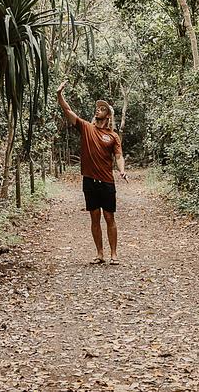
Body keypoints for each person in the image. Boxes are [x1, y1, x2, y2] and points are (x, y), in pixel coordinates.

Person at [56, 80, 126, 265]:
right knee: (95, 218)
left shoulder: (113, 136)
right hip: (89, 181)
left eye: (102, 109)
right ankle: (100, 254)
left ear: (108, 115)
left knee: (109, 217)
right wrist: (59, 95)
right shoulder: (87, 128)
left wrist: (122, 171)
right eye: (97, 108)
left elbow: (119, 156)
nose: (98, 110)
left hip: (107, 181)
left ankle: (114, 254)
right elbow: (68, 111)